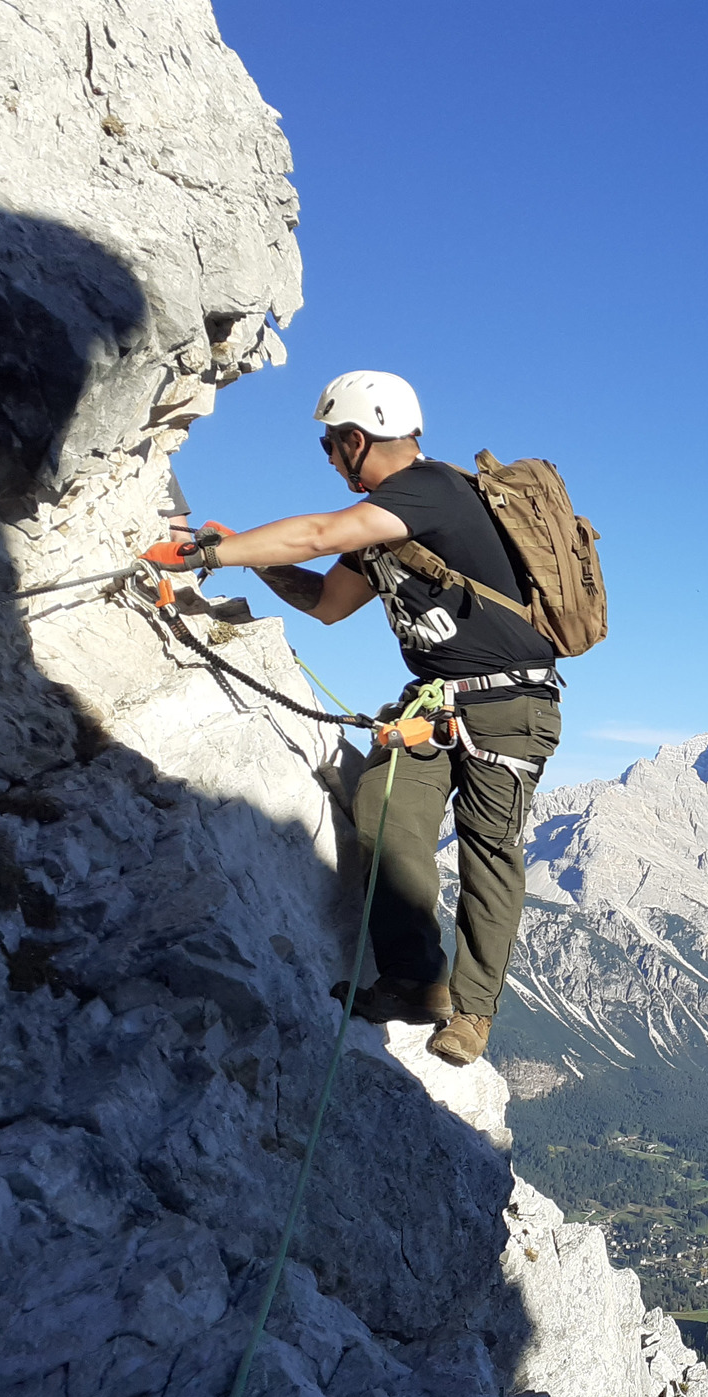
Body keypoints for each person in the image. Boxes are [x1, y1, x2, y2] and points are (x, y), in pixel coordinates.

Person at [145, 370, 560, 1066]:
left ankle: (475, 1013)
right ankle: (415, 980)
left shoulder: (428, 492)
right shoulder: (386, 525)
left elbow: (316, 533)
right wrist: (251, 560)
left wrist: (212, 552)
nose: (330, 460)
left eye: (330, 447)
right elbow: (329, 603)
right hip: (436, 703)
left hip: (508, 706)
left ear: (355, 438)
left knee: (488, 850)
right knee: (382, 806)